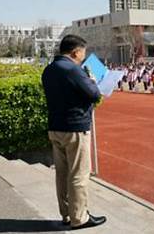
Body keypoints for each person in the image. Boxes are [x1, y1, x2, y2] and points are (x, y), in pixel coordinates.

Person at [41, 35, 107, 230]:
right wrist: (93, 81)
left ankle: (67, 215)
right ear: (75, 52)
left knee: (61, 174)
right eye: (82, 54)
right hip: (75, 128)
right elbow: (94, 94)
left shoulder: (49, 70)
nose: (82, 58)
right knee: (78, 174)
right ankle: (79, 217)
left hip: (55, 126)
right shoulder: (73, 70)